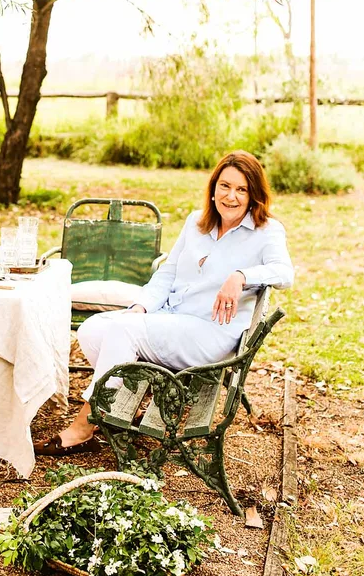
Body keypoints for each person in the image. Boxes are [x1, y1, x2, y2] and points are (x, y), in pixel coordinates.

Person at [35, 150, 294, 455]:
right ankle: (120, 409)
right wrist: (141, 307)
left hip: (210, 332)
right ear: (213, 189)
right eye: (225, 186)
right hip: (172, 319)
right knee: (91, 330)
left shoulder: (267, 231)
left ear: (253, 196)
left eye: (242, 189)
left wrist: (241, 276)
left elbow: (284, 273)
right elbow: (167, 273)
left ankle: (83, 427)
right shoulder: (196, 222)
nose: (231, 196)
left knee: (124, 331)